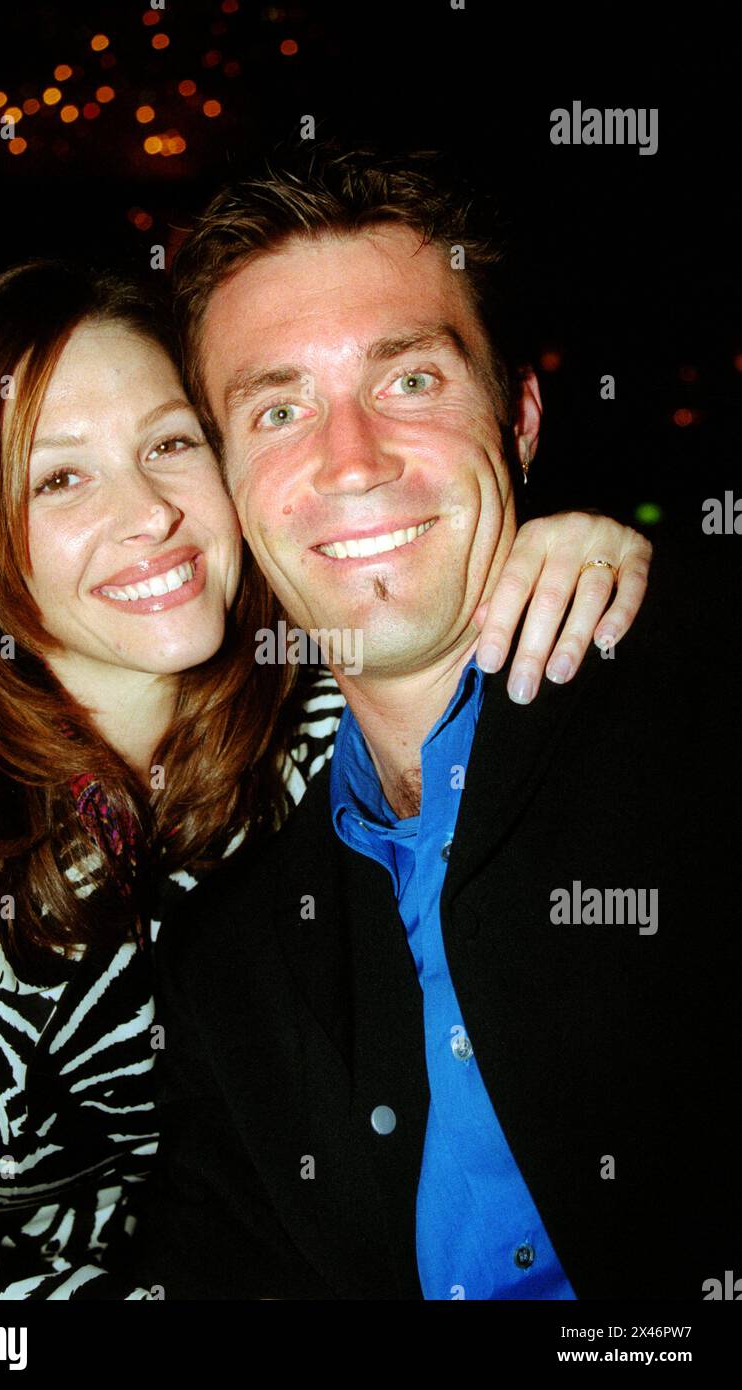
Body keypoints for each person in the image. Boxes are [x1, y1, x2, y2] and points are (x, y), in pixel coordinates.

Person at [0, 259, 649, 1300]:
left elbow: (446, 603)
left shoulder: (314, 724)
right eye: (58, 477)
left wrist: (581, 551)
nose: (149, 512)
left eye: (169, 444)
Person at [131, 147, 740, 1301]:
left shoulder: (698, 706)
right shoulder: (231, 949)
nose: (349, 459)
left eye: (408, 381)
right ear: (224, 490)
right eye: (276, 408)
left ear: (517, 419)